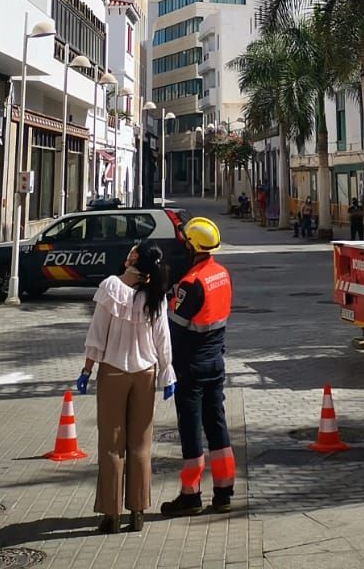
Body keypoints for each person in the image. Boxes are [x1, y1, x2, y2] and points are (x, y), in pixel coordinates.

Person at [76, 241, 175, 535]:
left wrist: (86, 369)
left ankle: (111, 515)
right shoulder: (155, 294)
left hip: (114, 371)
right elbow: (163, 338)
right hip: (146, 373)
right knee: (141, 445)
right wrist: (167, 373)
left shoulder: (111, 287)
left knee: (111, 445)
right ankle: (138, 512)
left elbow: (97, 334)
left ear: (133, 258)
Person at [160, 216, 235, 517]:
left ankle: (191, 496)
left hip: (190, 366)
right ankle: (224, 492)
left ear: (193, 246)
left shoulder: (192, 283)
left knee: (191, 429)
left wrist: (168, 299)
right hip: (216, 361)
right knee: (217, 426)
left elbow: (175, 327)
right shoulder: (222, 274)